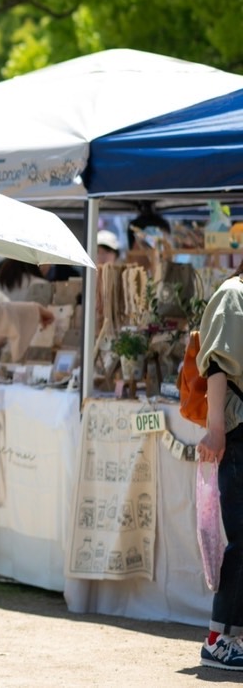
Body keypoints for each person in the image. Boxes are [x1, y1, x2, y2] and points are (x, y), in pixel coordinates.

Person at [196, 262, 243, 670]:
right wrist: (216, 431)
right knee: (242, 537)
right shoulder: (233, 294)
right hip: (239, 430)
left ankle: (231, 635)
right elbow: (215, 367)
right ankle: (218, 638)